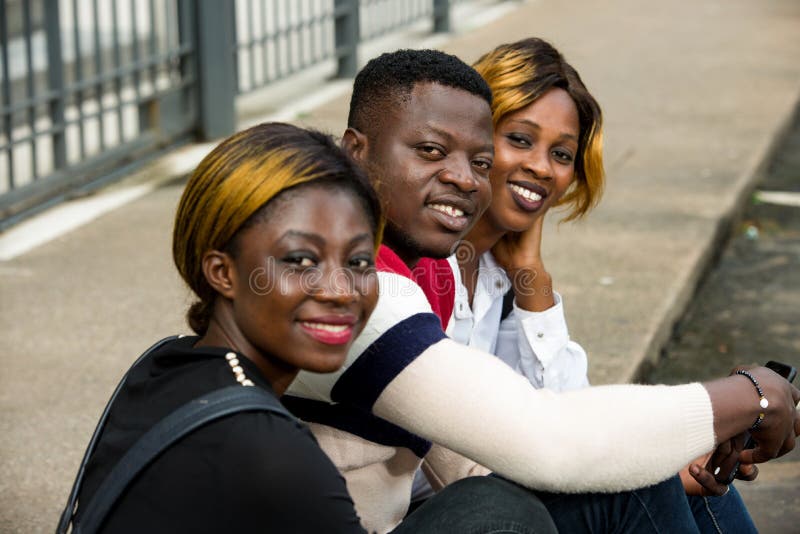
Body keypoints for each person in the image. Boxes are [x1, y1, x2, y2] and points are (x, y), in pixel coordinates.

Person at [282, 49, 800, 533]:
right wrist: (747, 396)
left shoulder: (428, 276)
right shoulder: (352, 291)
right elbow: (542, 435)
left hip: (419, 505)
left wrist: (648, 453)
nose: (464, 178)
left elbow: (474, 448)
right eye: (432, 151)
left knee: (644, 476)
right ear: (357, 151)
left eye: (479, 162)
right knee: (543, 496)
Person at [67, 122, 555, 533]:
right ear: (223, 271)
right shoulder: (273, 453)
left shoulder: (166, 362)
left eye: (360, 260)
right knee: (502, 512)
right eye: (301, 259)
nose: (341, 290)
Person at [415, 37, 758, 532]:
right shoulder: (418, 265)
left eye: (561, 153)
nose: (540, 166)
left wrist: (532, 279)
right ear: (474, 135)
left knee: (688, 475)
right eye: (519, 139)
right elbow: (536, 445)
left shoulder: (500, 276)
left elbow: (568, 406)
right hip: (431, 512)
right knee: (639, 474)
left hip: (493, 493)